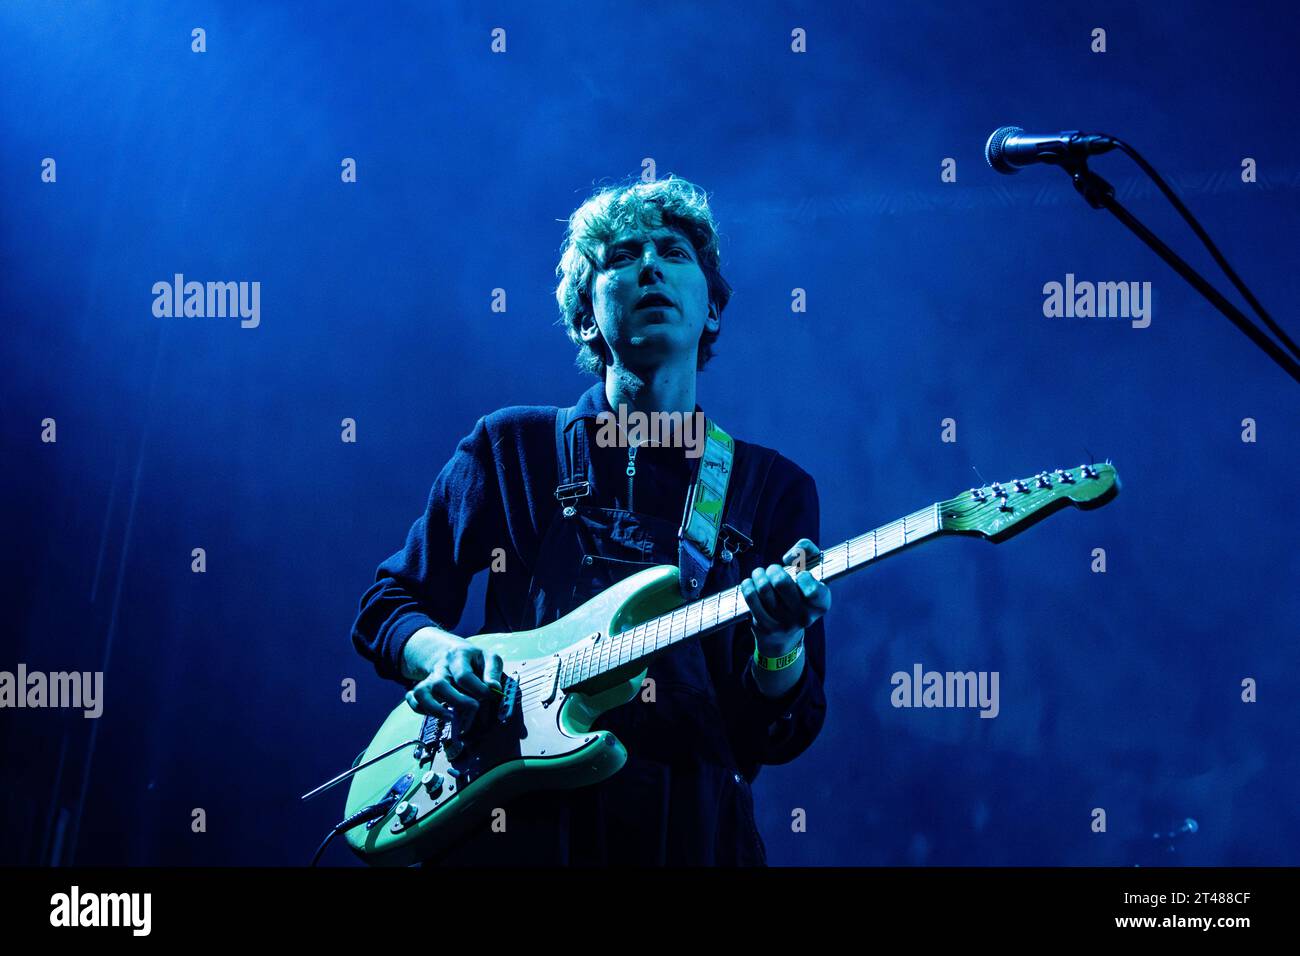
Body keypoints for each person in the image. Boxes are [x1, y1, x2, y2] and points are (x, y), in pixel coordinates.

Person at [351, 175, 830, 866]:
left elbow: (777, 734)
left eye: (673, 252)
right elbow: (389, 605)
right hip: (514, 836)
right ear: (585, 318)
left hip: (690, 839)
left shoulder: (772, 487)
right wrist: (444, 655)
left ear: (713, 311)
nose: (649, 266)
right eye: (622, 255)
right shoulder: (510, 448)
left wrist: (779, 640)